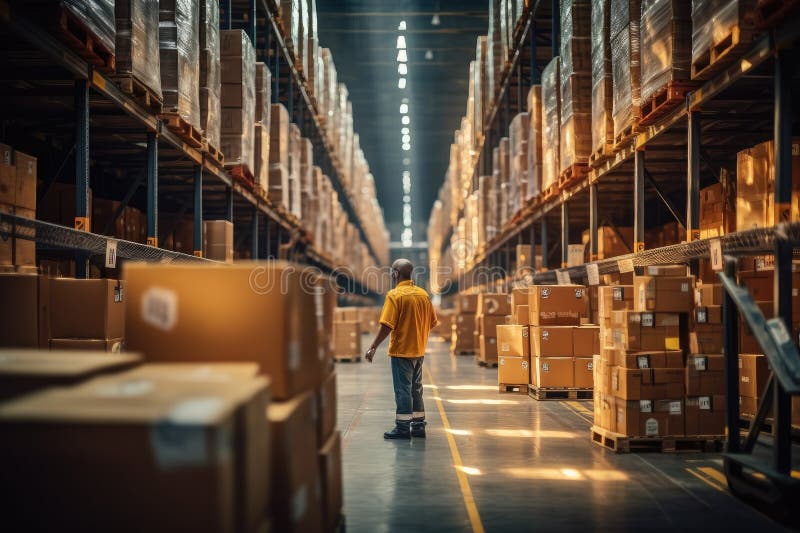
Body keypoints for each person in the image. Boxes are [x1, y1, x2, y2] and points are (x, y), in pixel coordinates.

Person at [365, 258, 438, 439]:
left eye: (392, 271)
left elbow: (387, 325)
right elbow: (432, 322)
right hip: (419, 350)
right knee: (416, 389)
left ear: (396, 273)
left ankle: (403, 428)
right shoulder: (423, 294)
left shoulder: (394, 295)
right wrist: (417, 334)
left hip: (401, 351)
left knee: (403, 390)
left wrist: (373, 347)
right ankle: (419, 426)